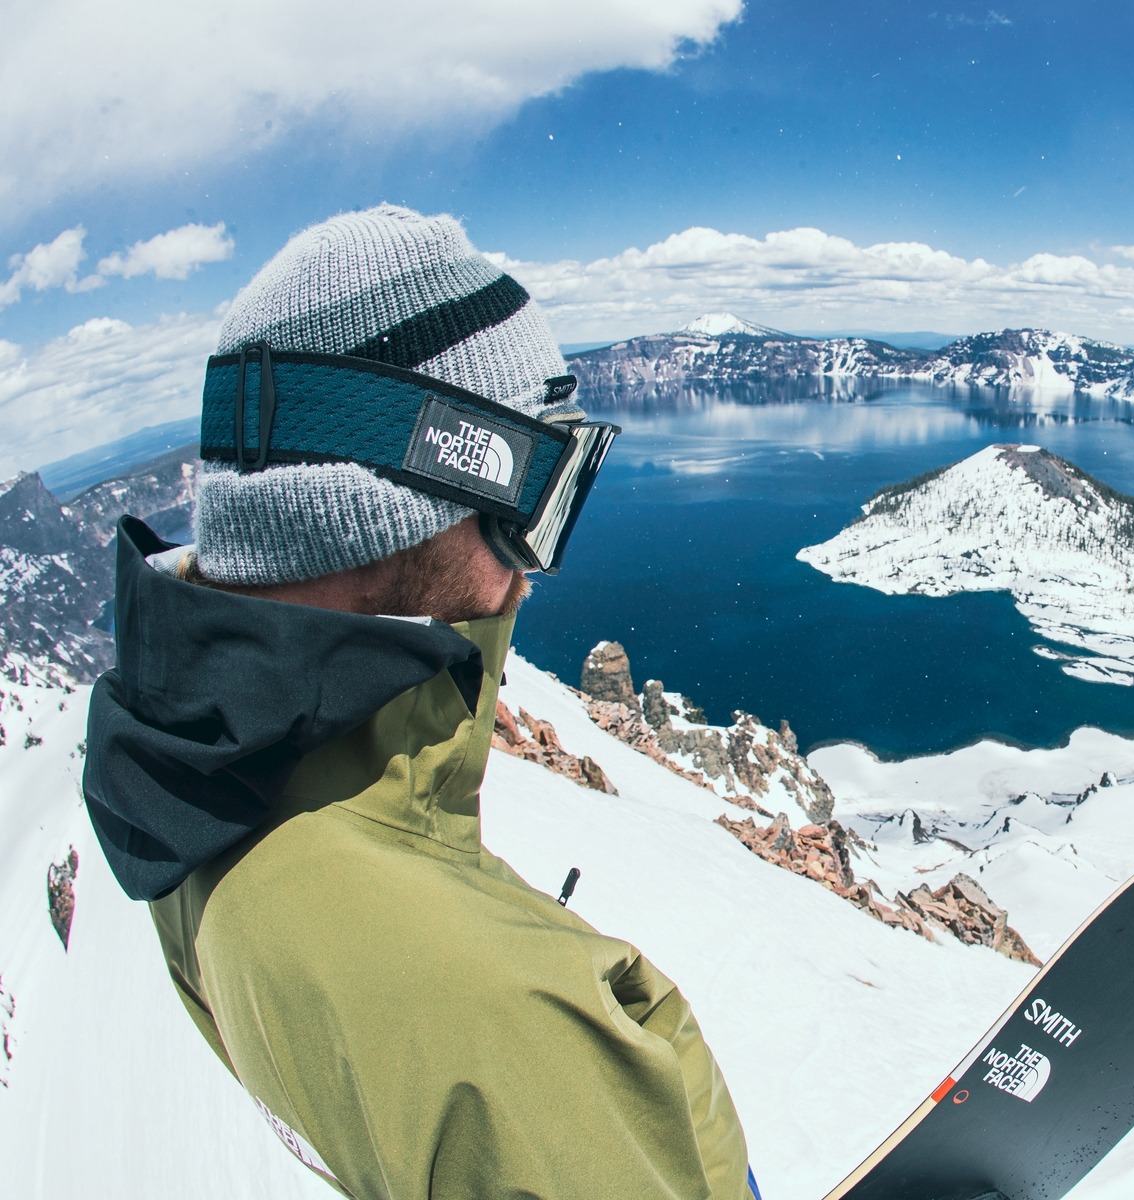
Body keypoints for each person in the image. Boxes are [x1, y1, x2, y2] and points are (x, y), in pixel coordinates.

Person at [82, 206, 755, 1199]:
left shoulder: (178, 778)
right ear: (406, 495)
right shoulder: (494, 1031)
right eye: (535, 504)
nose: (532, 577)